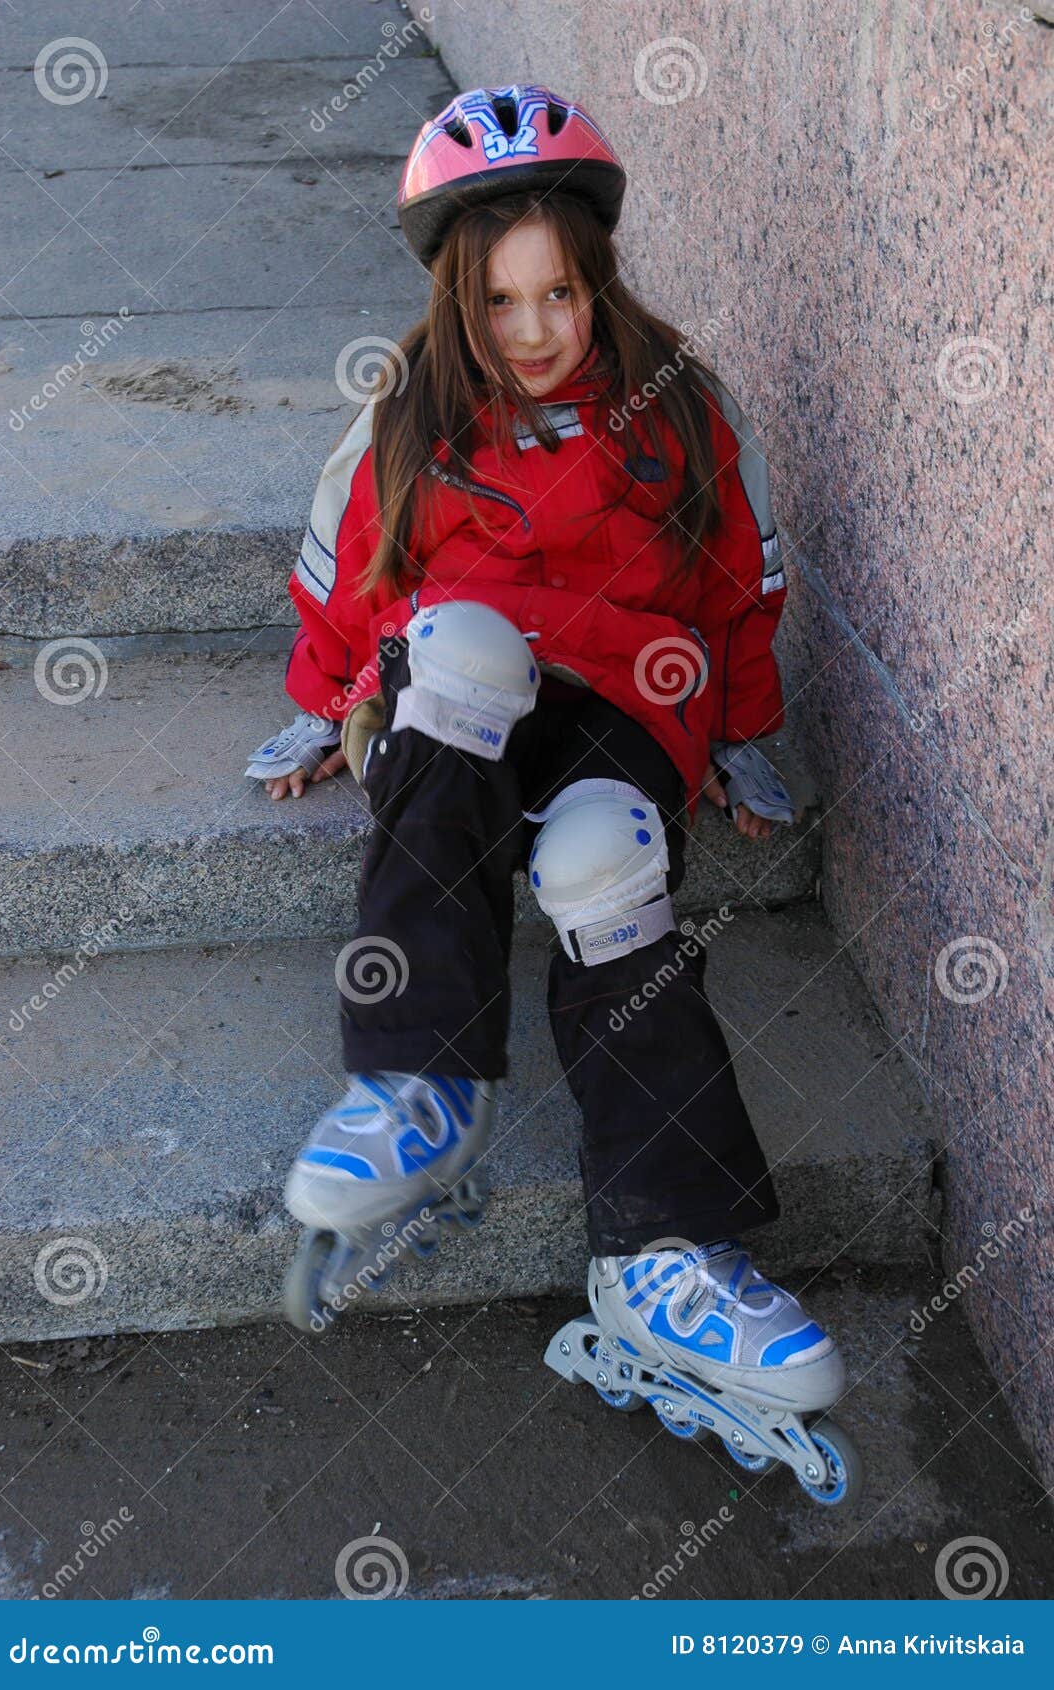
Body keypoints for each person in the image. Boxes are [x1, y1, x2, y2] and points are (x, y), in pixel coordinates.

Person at [246, 86, 858, 1503]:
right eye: (501, 302)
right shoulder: (410, 409)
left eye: (561, 294)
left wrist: (741, 732)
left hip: (626, 697)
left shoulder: (677, 401)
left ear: (599, 277)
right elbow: (346, 570)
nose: (535, 332)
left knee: (600, 858)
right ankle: (417, 1073)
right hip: (459, 700)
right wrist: (323, 704)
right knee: (461, 647)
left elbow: (739, 580)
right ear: (456, 299)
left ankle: (664, 1249)